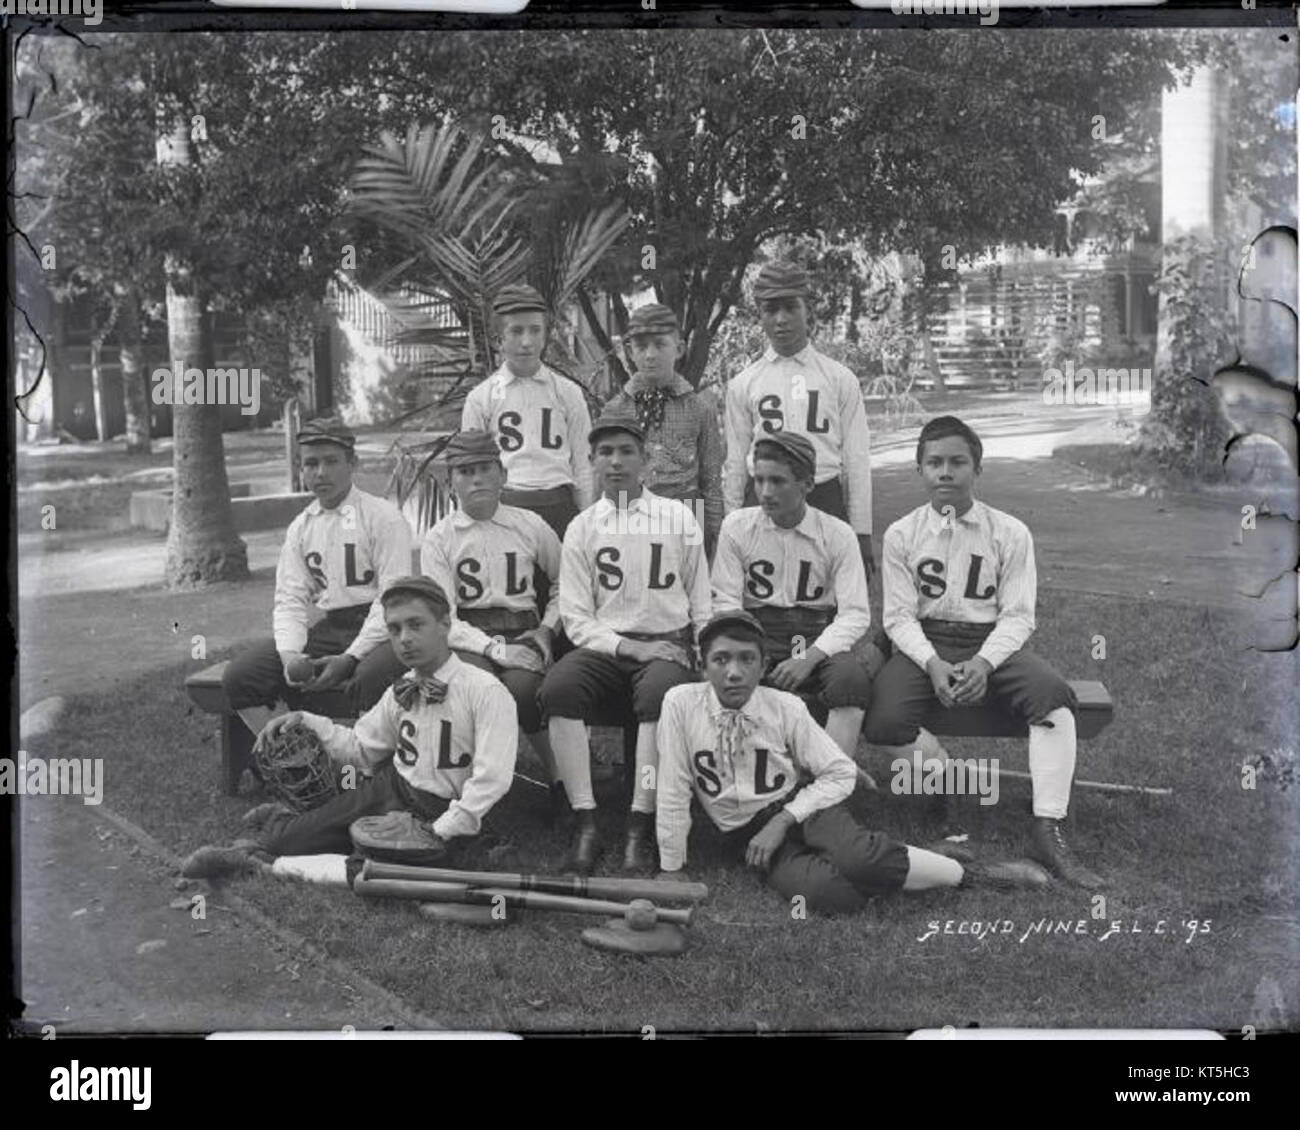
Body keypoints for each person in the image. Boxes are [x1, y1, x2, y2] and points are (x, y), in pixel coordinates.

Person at [653, 611, 1048, 911]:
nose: (734, 673)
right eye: (720, 660)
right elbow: (672, 785)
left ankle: (974, 874)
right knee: (827, 894)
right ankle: (913, 856)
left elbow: (840, 771)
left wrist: (784, 819)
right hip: (745, 833)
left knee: (857, 859)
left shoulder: (784, 706)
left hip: (803, 807)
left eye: (746, 659)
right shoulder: (681, 704)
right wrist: (671, 867)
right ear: (702, 665)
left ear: (764, 664)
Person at [866, 415, 1105, 889]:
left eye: (958, 462)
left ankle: (1048, 826)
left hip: (989, 641)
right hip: (925, 642)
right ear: (919, 469)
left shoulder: (1009, 532)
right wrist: (932, 663)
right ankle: (943, 778)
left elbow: (1018, 616)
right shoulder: (901, 534)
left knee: (1053, 697)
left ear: (977, 468)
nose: (945, 472)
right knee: (884, 719)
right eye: (934, 462)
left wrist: (982, 663)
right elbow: (898, 618)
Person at [181, 577, 518, 878]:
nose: (404, 639)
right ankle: (284, 824)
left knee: (379, 868)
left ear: (445, 624)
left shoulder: (485, 691)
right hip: (392, 790)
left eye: (416, 625)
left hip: (442, 811)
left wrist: (440, 830)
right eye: (395, 629)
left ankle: (259, 864)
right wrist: (307, 720)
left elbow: (491, 779)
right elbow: (362, 748)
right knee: (287, 840)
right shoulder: (401, 688)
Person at [538, 414, 711, 875]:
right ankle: (586, 821)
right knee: (558, 689)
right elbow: (576, 617)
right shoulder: (582, 526)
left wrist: (704, 650)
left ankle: (639, 822)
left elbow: (700, 597)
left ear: (646, 459)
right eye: (605, 453)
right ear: (592, 462)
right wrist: (629, 648)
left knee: (658, 696)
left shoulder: (678, 516)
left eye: (626, 451)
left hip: (667, 644)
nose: (615, 462)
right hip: (605, 647)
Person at [221, 416, 411, 740]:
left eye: (331, 461)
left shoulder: (382, 517)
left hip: (384, 628)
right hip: (333, 628)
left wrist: (351, 657)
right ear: (301, 469)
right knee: (242, 675)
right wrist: (290, 655)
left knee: (366, 677)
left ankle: (366, 760)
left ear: (352, 463)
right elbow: (289, 599)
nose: (321, 472)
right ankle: (296, 755)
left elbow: (394, 597)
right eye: (311, 463)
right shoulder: (302, 527)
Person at [421, 429, 565, 817]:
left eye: (485, 469)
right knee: (471, 688)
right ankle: (461, 792)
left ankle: (559, 780)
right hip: (469, 638)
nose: (477, 480)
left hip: (524, 631)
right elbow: (442, 617)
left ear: (503, 474)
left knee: (525, 689)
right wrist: (496, 650)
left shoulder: (530, 524)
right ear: (450, 481)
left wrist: (546, 629)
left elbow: (566, 583)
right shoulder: (439, 538)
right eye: (465, 471)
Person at [712, 431, 872, 760]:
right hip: (756, 629)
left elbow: (855, 614)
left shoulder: (837, 534)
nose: (765, 492)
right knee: (730, 675)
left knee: (849, 680)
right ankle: (750, 771)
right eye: (759, 480)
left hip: (811, 635)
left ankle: (830, 777)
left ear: (807, 484)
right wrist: (750, 647)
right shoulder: (737, 527)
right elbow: (725, 600)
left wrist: (807, 657)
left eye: (778, 481)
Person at [722, 260, 875, 577]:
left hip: (823, 495)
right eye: (770, 309)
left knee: (823, 590)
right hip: (765, 499)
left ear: (809, 311)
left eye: (791, 307)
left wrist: (861, 530)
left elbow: (856, 458)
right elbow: (735, 462)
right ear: (760, 315)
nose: (781, 319)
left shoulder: (839, 379)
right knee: (765, 591)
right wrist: (730, 524)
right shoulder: (744, 384)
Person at [461, 283, 594, 539]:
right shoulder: (481, 398)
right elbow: (471, 467)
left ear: (545, 336)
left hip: (559, 505)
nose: (526, 342)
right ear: (498, 339)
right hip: (507, 506)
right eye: (516, 331)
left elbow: (583, 463)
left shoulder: (567, 392)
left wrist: (585, 520)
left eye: (535, 330)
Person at [601, 302, 724, 556]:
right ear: (629, 352)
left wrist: (716, 535)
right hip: (630, 506)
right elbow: (603, 475)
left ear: (679, 349)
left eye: (660, 345)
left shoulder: (699, 408)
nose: (650, 355)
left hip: (686, 507)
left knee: (686, 576)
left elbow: (711, 477)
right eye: (641, 346)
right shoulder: (615, 410)